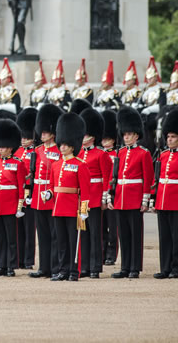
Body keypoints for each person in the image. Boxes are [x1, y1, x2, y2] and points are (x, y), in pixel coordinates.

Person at [108, 107, 152, 278]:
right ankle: (125, 266)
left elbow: (147, 179)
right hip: (120, 197)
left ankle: (135, 267)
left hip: (134, 198)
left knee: (135, 235)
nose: (126, 137)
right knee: (123, 235)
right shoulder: (120, 152)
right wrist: (112, 196)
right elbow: (114, 177)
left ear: (136, 135)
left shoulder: (144, 153)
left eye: (129, 134)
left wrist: (145, 200)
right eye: (124, 134)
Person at [151, 109, 178, 278]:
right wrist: (155, 201)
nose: (169, 140)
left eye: (173, 137)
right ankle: (165, 268)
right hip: (162, 200)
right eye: (168, 137)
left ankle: (176, 267)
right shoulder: (162, 155)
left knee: (177, 237)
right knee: (165, 237)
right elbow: (157, 180)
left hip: (177, 201)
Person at [48, 113, 90, 281]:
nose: (62, 147)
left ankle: (74, 271)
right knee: (61, 242)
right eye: (61, 144)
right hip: (58, 207)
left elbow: (85, 190)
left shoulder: (80, 165)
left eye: (66, 144)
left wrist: (83, 210)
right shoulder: (56, 165)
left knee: (74, 242)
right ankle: (63, 269)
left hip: (73, 208)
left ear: (73, 145)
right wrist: (48, 193)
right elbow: (52, 186)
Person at [0, 119, 27, 277]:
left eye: (4, 147)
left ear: (10, 147)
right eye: (0, 146)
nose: (1, 149)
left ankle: (11, 265)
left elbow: (21, 186)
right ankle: (1, 266)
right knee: (0, 237)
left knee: (11, 238)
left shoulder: (18, 163)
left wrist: (20, 206)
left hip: (10, 204)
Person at [28, 104, 63, 279]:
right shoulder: (38, 151)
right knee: (42, 235)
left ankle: (56, 267)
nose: (42, 135)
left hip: (52, 197)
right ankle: (44, 267)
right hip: (37, 196)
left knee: (54, 235)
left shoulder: (59, 151)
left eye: (45, 131)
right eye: (41, 132)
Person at [77, 109, 110, 279]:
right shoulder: (78, 154)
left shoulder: (101, 154)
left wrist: (105, 198)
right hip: (81, 199)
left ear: (93, 137)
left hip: (96, 198)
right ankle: (83, 266)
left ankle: (95, 266)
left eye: (87, 134)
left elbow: (106, 177)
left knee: (95, 233)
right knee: (83, 232)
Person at [15, 107, 38, 269]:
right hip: (18, 195)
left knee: (30, 228)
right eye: (22, 136)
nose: (23, 140)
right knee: (19, 229)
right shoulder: (17, 151)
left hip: (31, 193)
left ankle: (29, 260)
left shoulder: (37, 152)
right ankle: (20, 258)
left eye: (27, 137)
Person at [100, 110, 120, 265]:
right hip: (99, 193)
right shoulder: (99, 154)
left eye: (107, 139)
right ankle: (102, 252)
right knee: (101, 227)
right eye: (103, 138)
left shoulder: (117, 154)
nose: (104, 141)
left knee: (113, 228)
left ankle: (111, 255)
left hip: (112, 193)